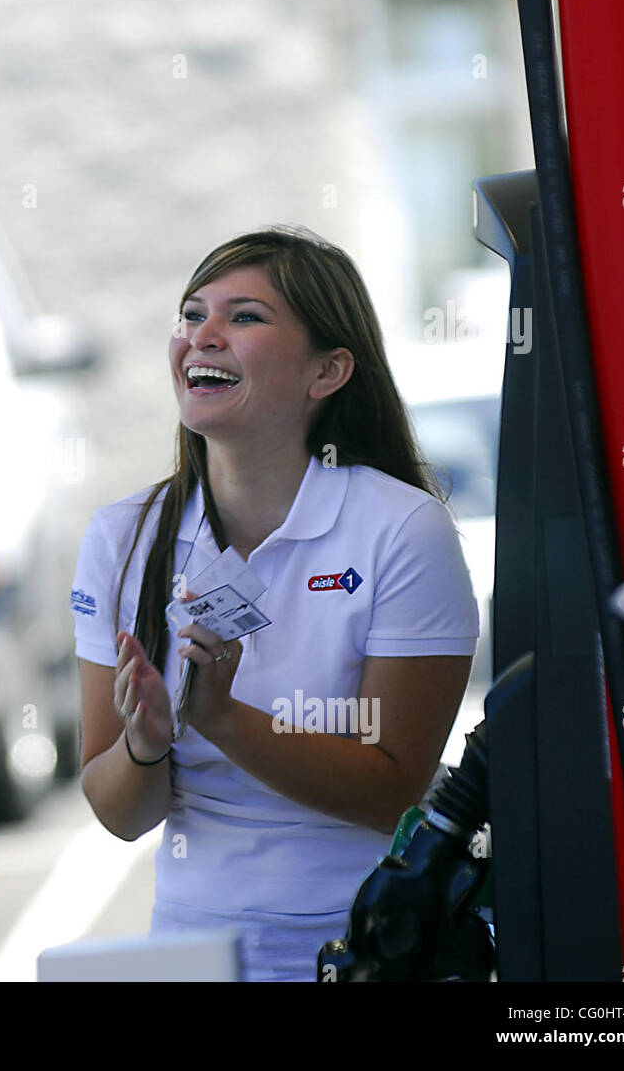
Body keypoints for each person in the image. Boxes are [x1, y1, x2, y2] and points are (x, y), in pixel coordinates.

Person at [71, 227, 479, 981]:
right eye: (192, 315)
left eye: (245, 317)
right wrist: (147, 744)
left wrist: (222, 717)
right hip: (190, 951)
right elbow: (119, 812)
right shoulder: (122, 536)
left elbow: (391, 788)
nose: (204, 337)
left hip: (374, 946)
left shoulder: (402, 529)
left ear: (328, 370)